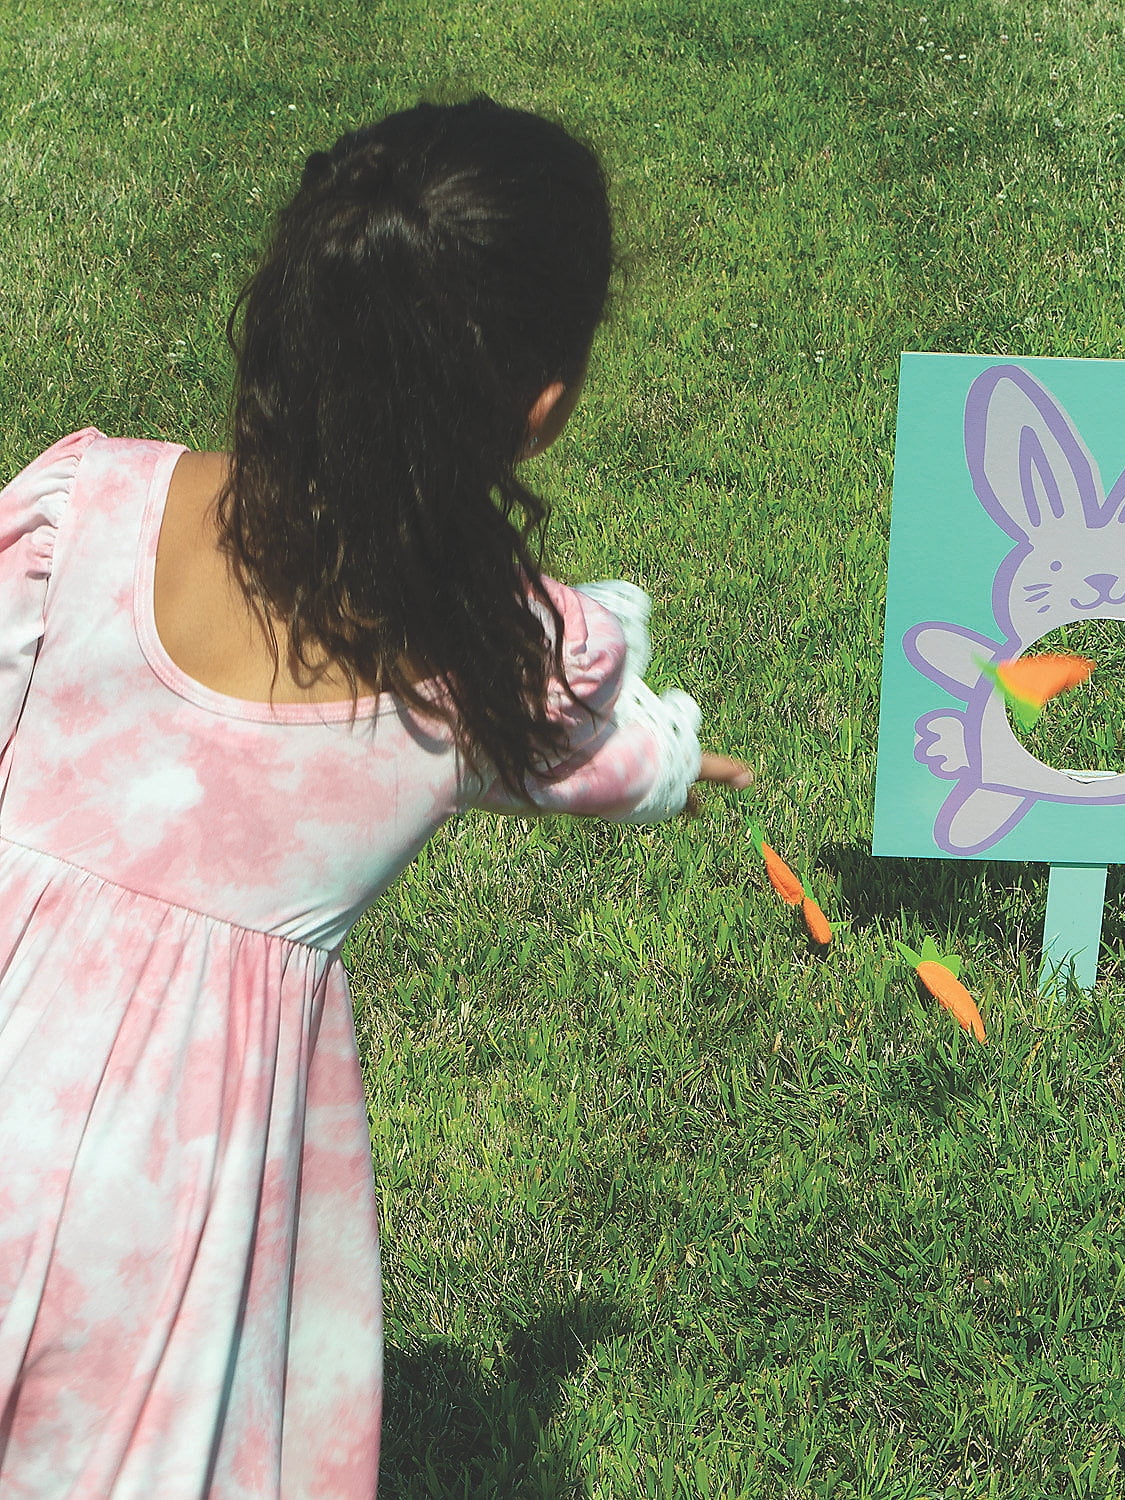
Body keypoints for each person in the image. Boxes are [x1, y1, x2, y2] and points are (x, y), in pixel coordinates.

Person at [0, 95, 752, 1496]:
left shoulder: (85, 508)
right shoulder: (490, 660)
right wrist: (670, 770)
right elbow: (582, 764)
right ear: (541, 406)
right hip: (171, 1188)